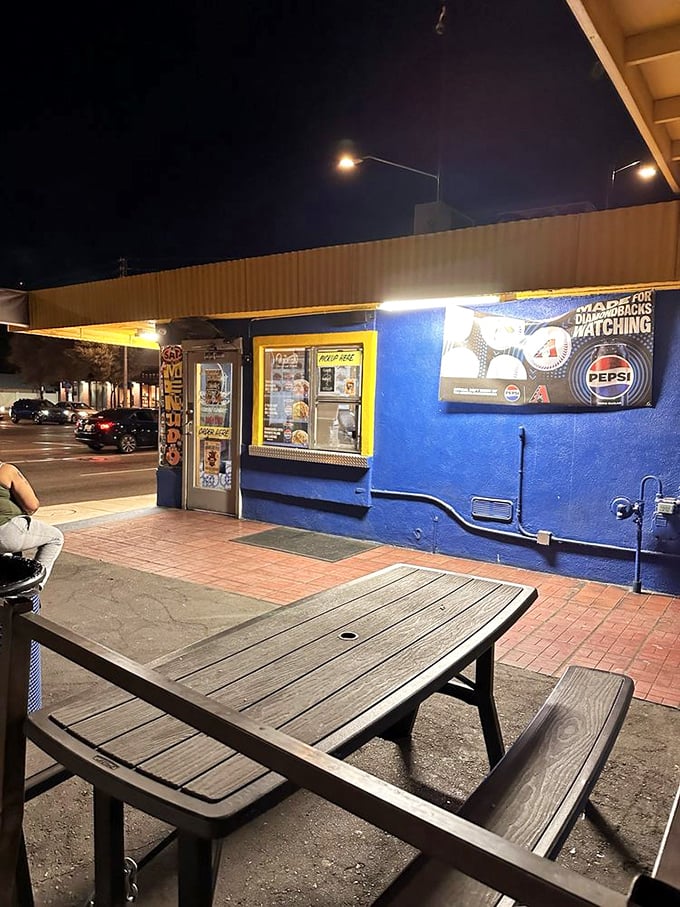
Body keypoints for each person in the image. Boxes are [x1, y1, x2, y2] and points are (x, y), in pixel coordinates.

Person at [0, 461, 64, 588]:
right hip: (5, 530)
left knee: (6, 558)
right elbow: (32, 505)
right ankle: (34, 587)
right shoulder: (6, 470)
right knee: (55, 537)